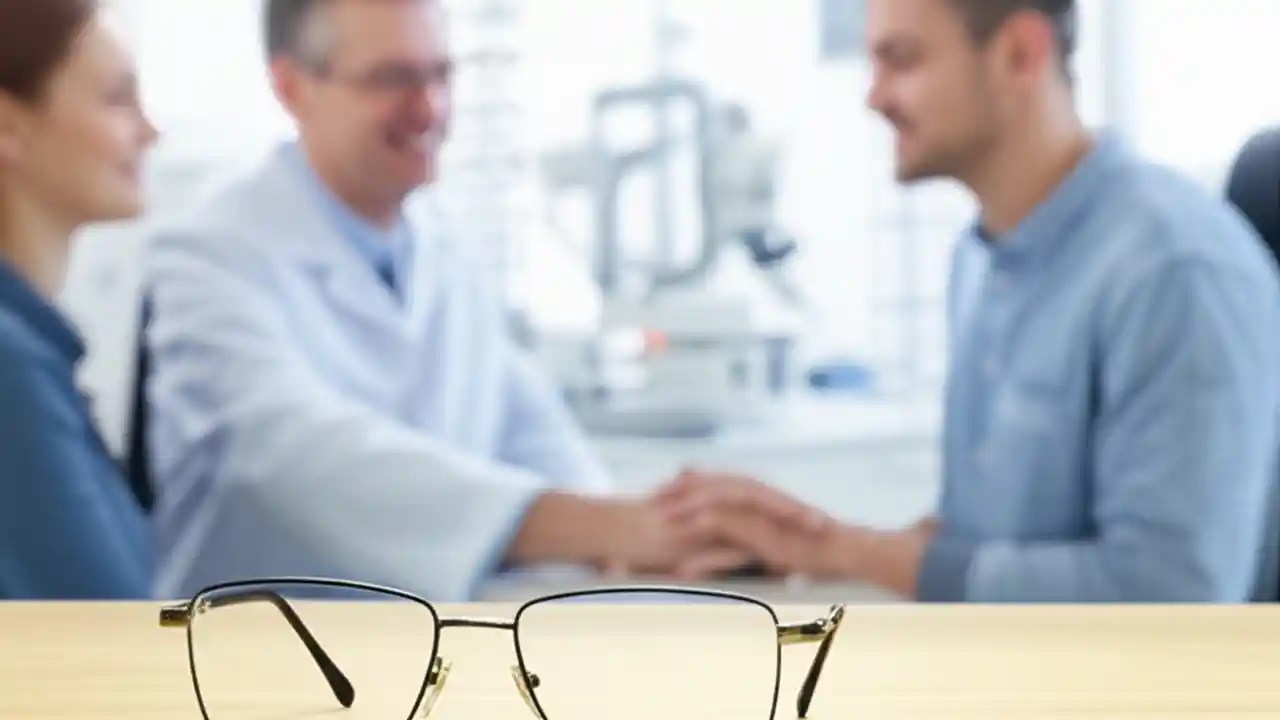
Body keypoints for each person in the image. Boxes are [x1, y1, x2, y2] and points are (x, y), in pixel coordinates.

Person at [145, 0, 826, 601]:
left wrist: (626, 537)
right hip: (250, 668)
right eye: (392, 79)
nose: (430, 108)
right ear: (291, 86)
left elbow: (526, 424)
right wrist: (606, 526)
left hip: (420, 660)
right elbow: (297, 451)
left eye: (441, 75)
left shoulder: (444, 243)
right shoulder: (209, 255)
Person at [662, 0, 1280, 601]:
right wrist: (802, 539)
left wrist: (858, 554)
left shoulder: (1173, 270)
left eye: (901, 61)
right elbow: (987, 539)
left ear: (1017, 56)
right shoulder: (981, 259)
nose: (873, 97)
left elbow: (1167, 594)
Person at [0, 0, 158, 598]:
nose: (149, 131)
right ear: (8, 126)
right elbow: (114, 631)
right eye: (118, 99)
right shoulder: (10, 370)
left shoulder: (31, 352)